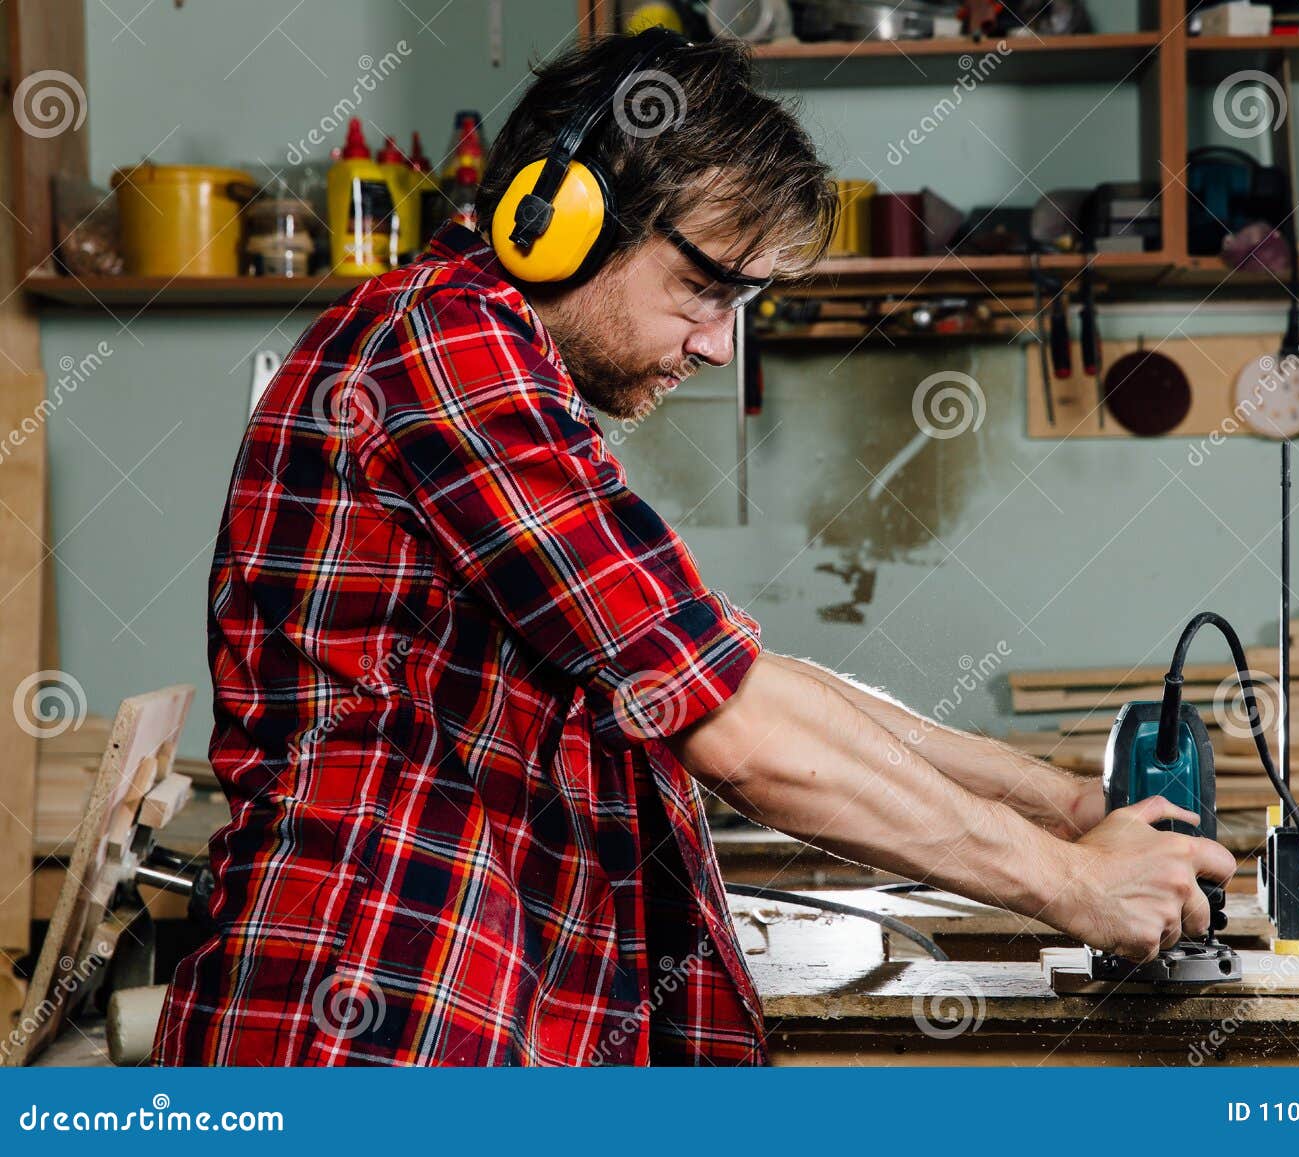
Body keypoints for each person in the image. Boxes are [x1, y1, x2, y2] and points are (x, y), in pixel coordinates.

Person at [156, 31, 1234, 1067]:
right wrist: (1068, 884)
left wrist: (1064, 806)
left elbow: (728, 674)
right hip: (374, 1016)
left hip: (454, 1003)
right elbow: (740, 731)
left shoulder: (506, 374)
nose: (721, 342)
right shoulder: (445, 351)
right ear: (560, 222)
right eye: (708, 288)